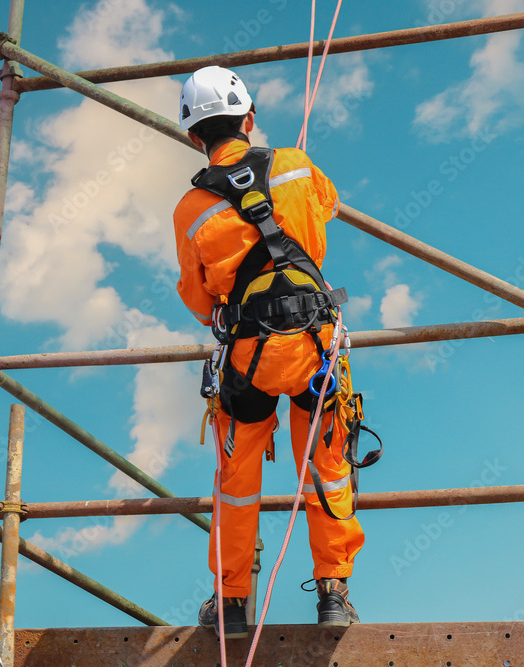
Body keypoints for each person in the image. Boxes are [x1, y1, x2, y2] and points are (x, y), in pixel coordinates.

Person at [172, 66, 364, 637]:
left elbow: (197, 297)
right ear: (249, 118)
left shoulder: (191, 209)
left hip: (247, 358)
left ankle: (231, 603)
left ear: (193, 136)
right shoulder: (296, 166)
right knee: (327, 468)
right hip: (315, 349)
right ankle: (333, 591)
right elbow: (326, 209)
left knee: (237, 483)